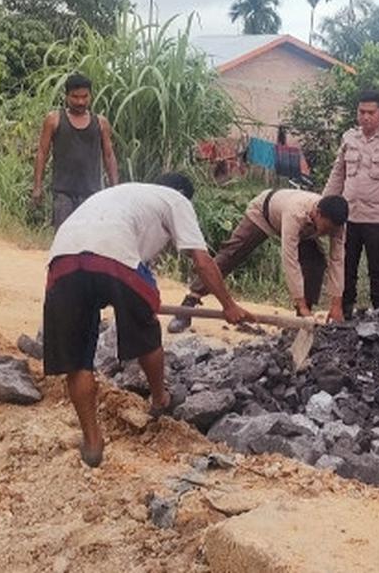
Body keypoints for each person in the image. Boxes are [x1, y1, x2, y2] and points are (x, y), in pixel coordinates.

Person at [44, 175, 254, 468]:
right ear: (182, 194)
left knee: (78, 362)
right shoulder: (177, 199)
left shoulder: (123, 195)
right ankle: (159, 399)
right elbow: (202, 260)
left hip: (63, 260)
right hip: (115, 257)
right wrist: (229, 306)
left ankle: (92, 440)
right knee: (145, 328)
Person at [168, 190, 349, 333]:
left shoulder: (337, 226)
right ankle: (188, 305)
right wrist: (298, 301)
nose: (327, 234)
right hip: (263, 213)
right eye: (325, 229)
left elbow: (337, 261)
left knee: (316, 262)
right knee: (232, 254)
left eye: (331, 231)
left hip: (303, 228)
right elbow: (290, 260)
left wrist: (336, 304)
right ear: (317, 213)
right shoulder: (295, 213)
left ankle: (302, 322)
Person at [323, 90, 379, 319]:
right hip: (349, 215)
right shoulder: (348, 138)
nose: (366, 117)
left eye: (371, 112)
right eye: (362, 112)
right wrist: (324, 204)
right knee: (346, 265)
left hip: (377, 217)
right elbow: (338, 173)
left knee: (378, 268)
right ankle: (345, 310)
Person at [32, 72, 119, 228]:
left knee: (89, 241)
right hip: (63, 194)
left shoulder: (100, 123)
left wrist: (115, 189)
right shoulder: (54, 120)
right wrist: (37, 186)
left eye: (85, 97)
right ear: (66, 96)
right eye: (75, 97)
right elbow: (42, 153)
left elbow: (109, 155)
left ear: (90, 96)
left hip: (92, 194)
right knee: (63, 240)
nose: (80, 101)